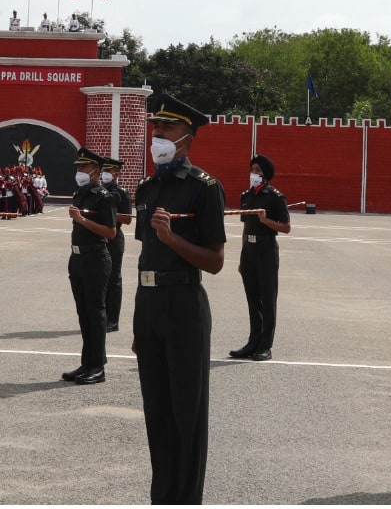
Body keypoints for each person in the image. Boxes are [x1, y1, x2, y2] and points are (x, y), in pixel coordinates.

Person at [133, 93, 226, 504]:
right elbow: (144, 256)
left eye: (167, 129)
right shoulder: (147, 187)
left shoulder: (204, 189)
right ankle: (162, 495)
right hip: (150, 306)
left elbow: (215, 262)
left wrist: (173, 237)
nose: (157, 135)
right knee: (156, 412)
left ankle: (187, 498)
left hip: (184, 305)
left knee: (187, 412)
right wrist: (138, 321)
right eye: (155, 128)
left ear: (187, 138)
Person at [62, 148, 117, 384]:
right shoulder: (80, 194)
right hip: (77, 259)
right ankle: (87, 363)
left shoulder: (104, 197)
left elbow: (110, 232)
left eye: (83, 168)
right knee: (83, 312)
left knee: (95, 313)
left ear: (95, 171)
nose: (79, 172)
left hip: (96, 257)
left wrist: (82, 220)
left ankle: (97, 366)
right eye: (78, 168)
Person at [230, 154, 291, 362]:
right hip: (250, 251)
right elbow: (246, 227)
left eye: (257, 170)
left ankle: (266, 346)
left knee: (267, 299)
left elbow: (286, 227)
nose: (253, 173)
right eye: (252, 169)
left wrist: (266, 221)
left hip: (266, 250)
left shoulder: (274, 197)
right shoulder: (246, 196)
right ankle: (253, 342)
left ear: (265, 174)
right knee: (252, 299)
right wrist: (242, 257)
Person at [100, 156, 133, 332]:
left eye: (109, 171)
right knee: (99, 278)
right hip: (99, 236)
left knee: (113, 279)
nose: (105, 174)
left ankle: (113, 320)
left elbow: (127, 219)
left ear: (116, 173)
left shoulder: (121, 193)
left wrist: (108, 213)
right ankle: (101, 315)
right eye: (103, 170)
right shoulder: (98, 190)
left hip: (114, 238)